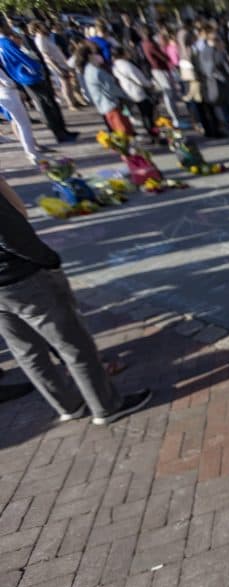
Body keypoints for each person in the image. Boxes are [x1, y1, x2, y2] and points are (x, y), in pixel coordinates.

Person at [0, 176, 152, 426]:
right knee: (72, 343)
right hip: (20, 276)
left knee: (26, 350)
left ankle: (68, 405)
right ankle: (106, 406)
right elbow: (12, 230)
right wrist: (47, 260)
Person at [0, 23, 78, 143]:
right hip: (28, 76)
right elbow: (21, 57)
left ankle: (62, 130)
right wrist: (36, 68)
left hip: (22, 76)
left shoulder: (3, 43)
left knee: (48, 103)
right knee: (47, 105)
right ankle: (59, 132)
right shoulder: (5, 42)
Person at [78, 43, 132, 136]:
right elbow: (110, 87)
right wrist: (123, 96)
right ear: (90, 56)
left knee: (119, 132)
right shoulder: (96, 71)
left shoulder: (87, 70)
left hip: (103, 105)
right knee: (123, 132)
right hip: (111, 104)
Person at [30, 21, 84, 111]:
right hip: (56, 64)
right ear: (37, 28)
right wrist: (57, 67)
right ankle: (70, 103)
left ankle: (74, 101)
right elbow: (46, 55)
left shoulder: (45, 37)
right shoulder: (40, 39)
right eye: (42, 26)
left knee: (68, 82)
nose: (44, 27)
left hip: (61, 62)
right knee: (64, 83)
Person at [111, 48, 157, 142]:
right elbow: (138, 78)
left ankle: (149, 133)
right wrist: (149, 85)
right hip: (137, 92)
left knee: (140, 114)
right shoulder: (127, 65)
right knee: (147, 115)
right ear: (123, 54)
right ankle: (153, 134)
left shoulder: (114, 66)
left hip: (127, 92)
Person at [0, 65, 43, 163]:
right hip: (8, 92)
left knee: (19, 123)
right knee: (24, 125)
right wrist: (15, 89)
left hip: (5, 93)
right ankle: (31, 153)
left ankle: (31, 151)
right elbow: (5, 82)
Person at [142, 28, 183, 126]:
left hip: (159, 69)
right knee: (168, 94)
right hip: (160, 69)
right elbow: (162, 57)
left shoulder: (145, 43)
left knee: (169, 93)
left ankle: (175, 117)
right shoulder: (150, 44)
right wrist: (166, 56)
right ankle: (175, 118)